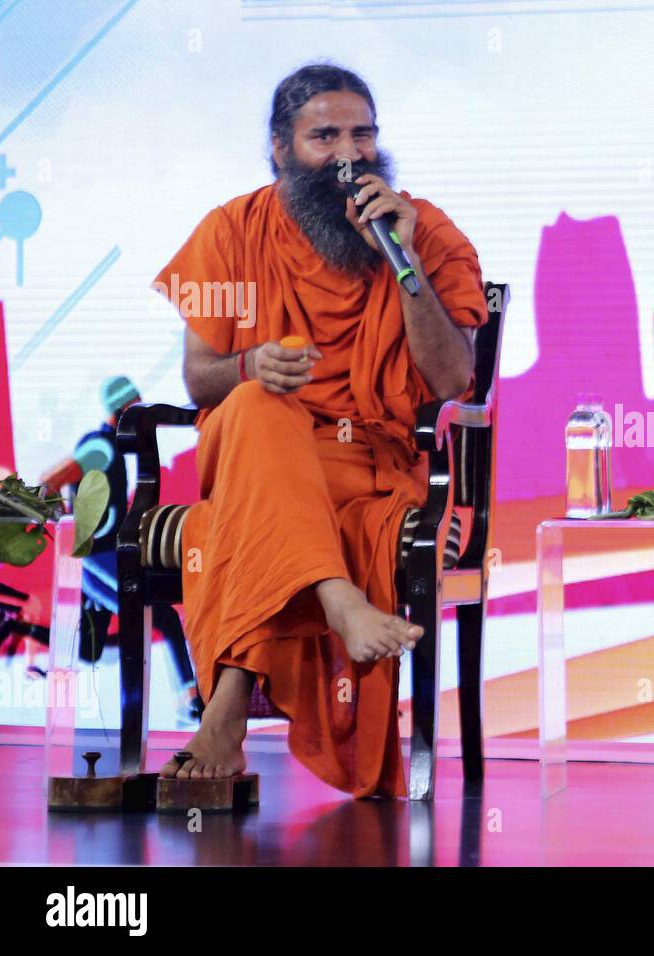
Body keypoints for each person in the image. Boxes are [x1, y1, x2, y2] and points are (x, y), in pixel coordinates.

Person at [149, 62, 488, 796]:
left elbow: (452, 382)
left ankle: (226, 713)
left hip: (370, 460)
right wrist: (249, 365)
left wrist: (404, 263)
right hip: (260, 450)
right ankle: (339, 596)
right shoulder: (231, 230)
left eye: (362, 134)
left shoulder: (422, 231)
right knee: (257, 406)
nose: (349, 153)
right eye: (324, 135)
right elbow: (199, 380)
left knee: (228, 524)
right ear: (279, 148)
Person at [39, 376, 201, 722]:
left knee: (92, 649)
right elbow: (52, 478)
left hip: (106, 556)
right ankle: (190, 698)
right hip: (98, 558)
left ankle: (37, 650)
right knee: (161, 616)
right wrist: (63, 518)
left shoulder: (110, 445)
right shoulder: (102, 447)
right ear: (124, 409)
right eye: (138, 408)